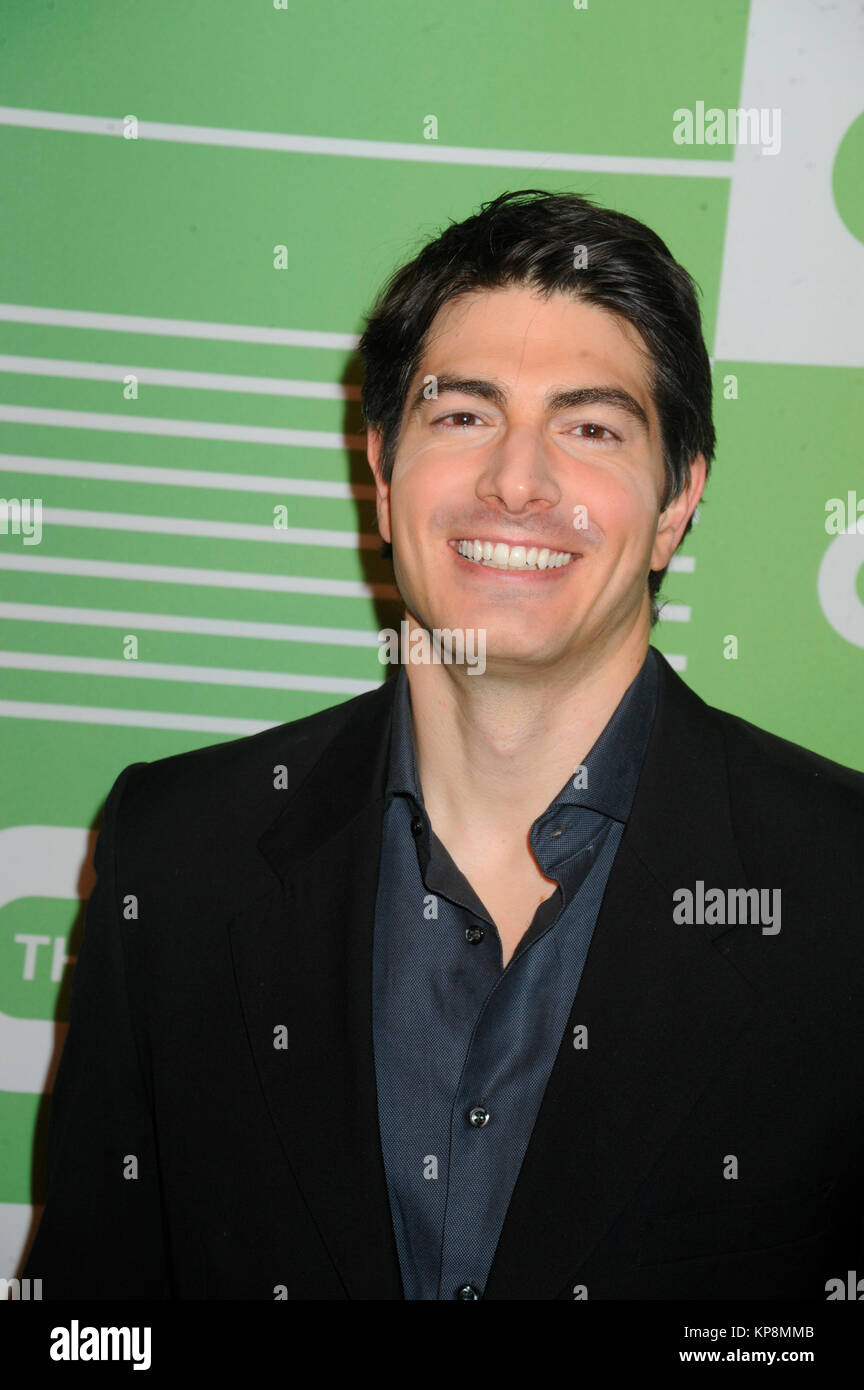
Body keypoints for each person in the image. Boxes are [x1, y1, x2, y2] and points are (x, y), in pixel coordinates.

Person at [24, 190, 864, 1300]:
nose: (518, 481)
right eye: (463, 415)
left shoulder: (842, 885)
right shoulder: (176, 857)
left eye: (591, 426)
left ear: (676, 502)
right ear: (381, 471)